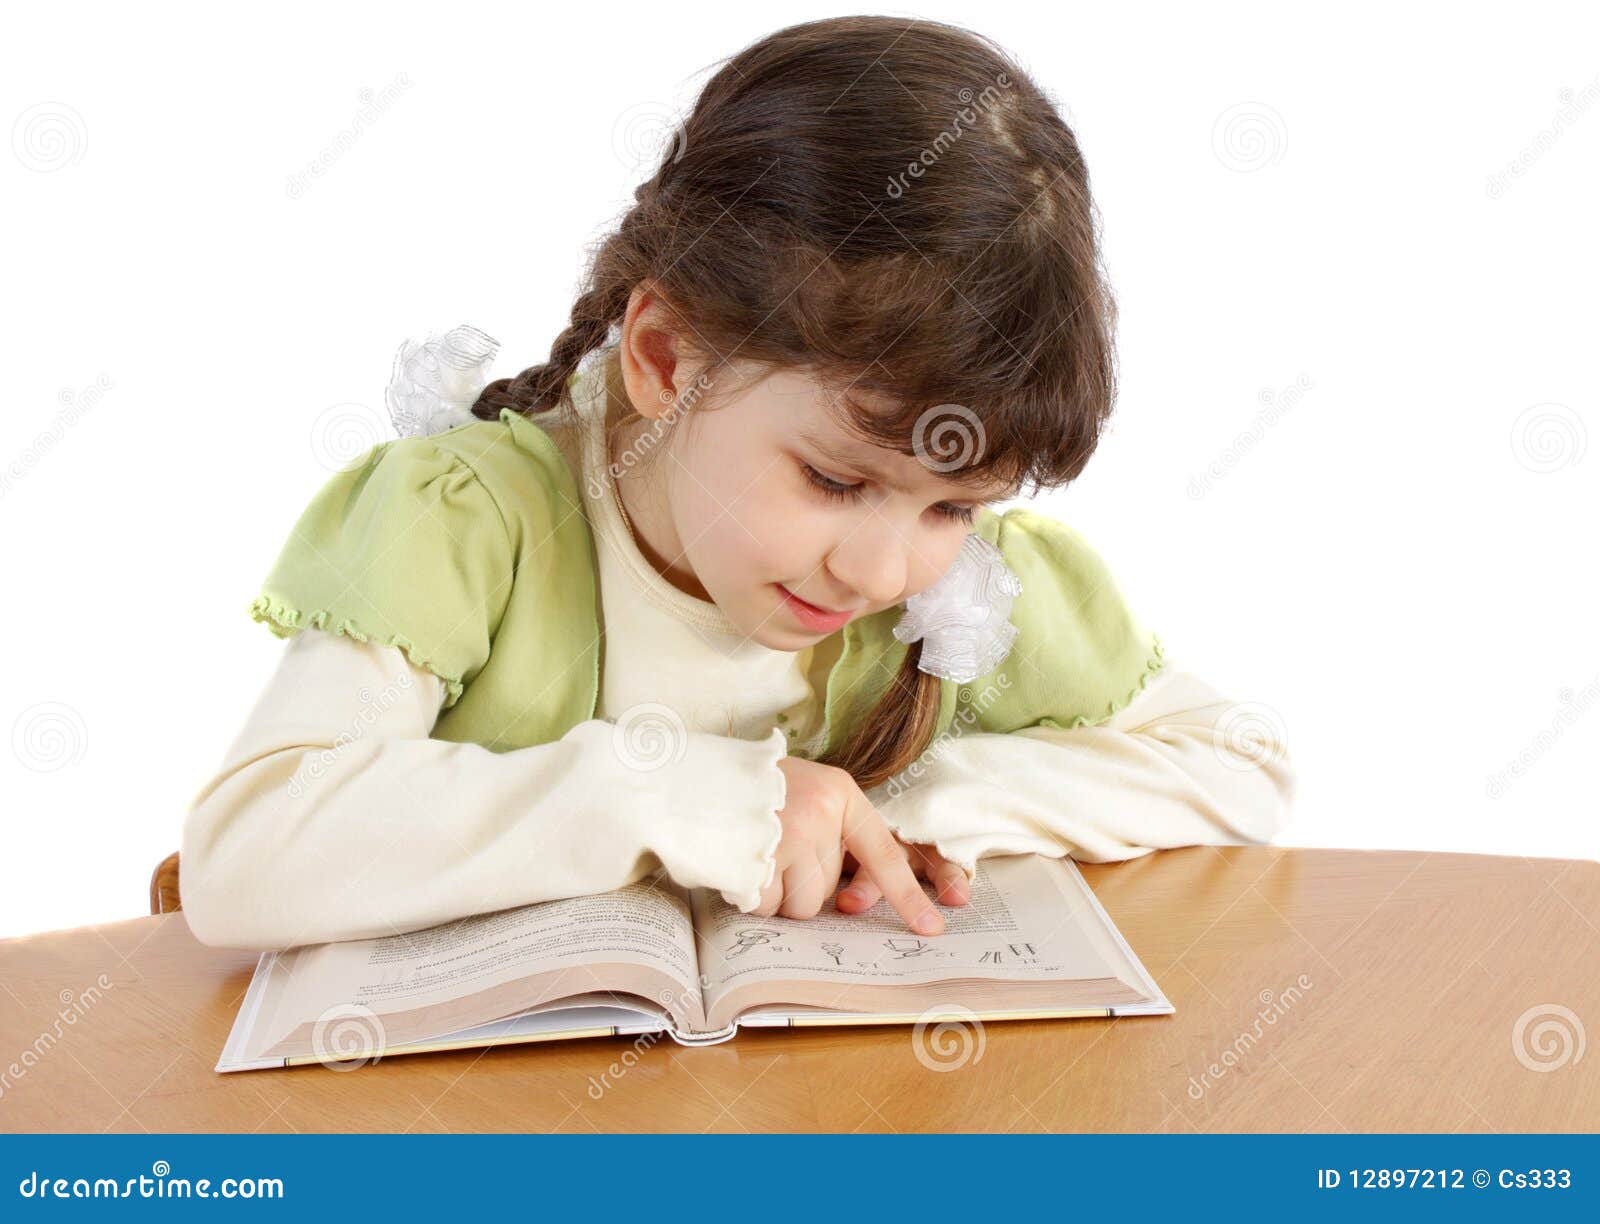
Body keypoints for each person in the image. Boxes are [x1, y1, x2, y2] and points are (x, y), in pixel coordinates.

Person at [180, 15, 1295, 952]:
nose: (880, 569)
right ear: (666, 357)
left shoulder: (962, 599)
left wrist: (914, 810)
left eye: (952, 507)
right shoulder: (476, 523)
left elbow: (1238, 763)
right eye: (830, 477)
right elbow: (248, 855)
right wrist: (690, 795)